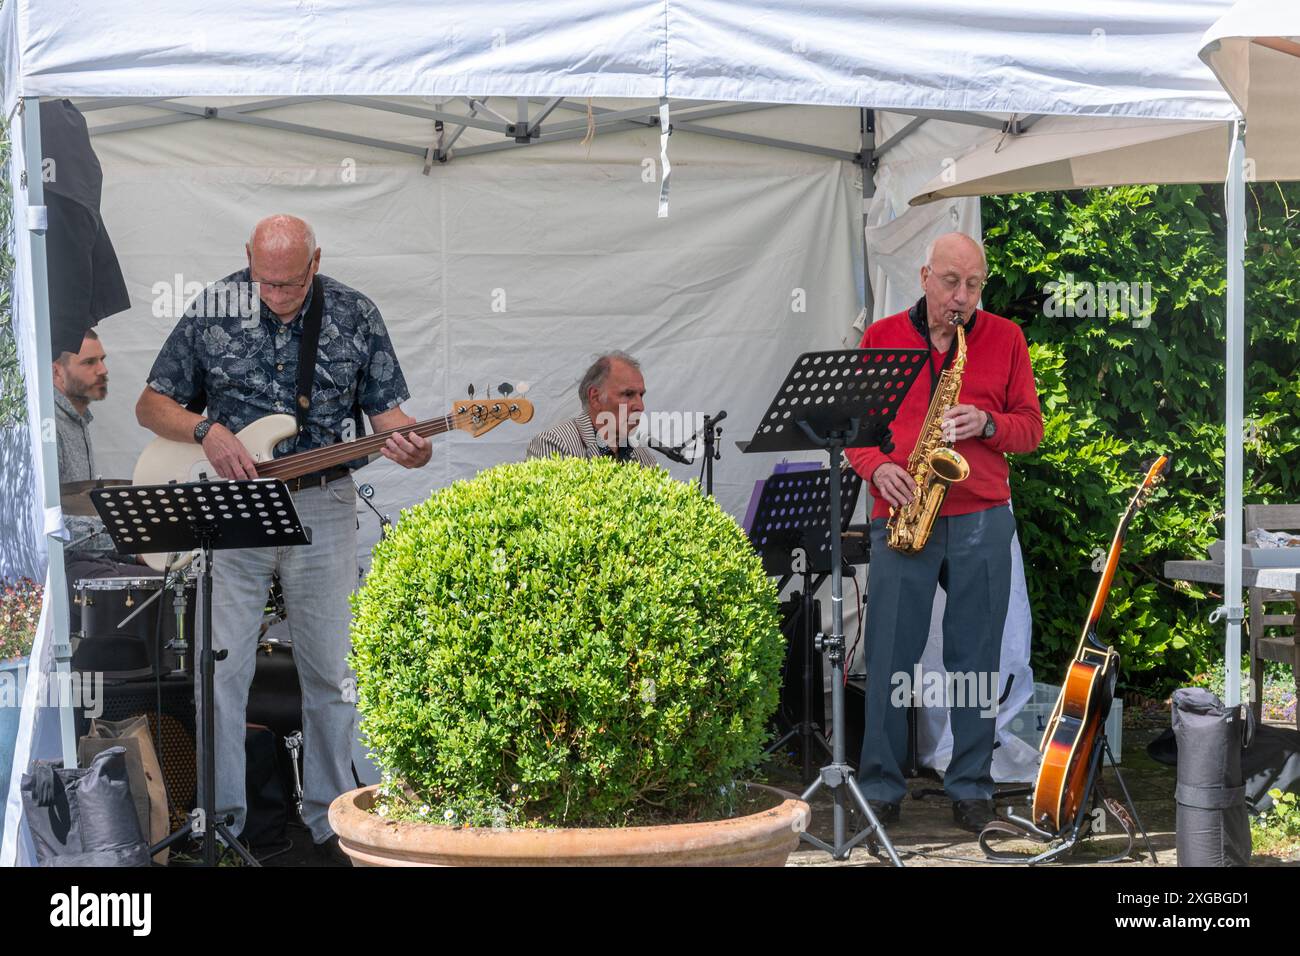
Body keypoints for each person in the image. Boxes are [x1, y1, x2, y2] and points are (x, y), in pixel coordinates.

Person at [135, 214, 432, 863]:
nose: (278, 294)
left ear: (315, 261)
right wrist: (207, 431)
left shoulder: (354, 314)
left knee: (334, 668)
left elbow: (389, 417)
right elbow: (151, 404)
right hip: (232, 506)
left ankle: (331, 814)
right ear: (248, 260)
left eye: (291, 283)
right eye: (267, 282)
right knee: (223, 669)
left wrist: (411, 445)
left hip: (321, 503)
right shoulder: (213, 309)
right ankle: (225, 820)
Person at [846, 232, 1043, 833]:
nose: (962, 297)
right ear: (925, 276)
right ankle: (880, 786)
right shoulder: (881, 338)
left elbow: (1031, 429)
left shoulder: (1004, 337)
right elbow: (855, 431)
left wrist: (986, 421)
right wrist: (877, 467)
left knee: (977, 658)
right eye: (952, 283)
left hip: (981, 514)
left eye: (974, 286)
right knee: (888, 655)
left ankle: (972, 785)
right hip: (904, 514)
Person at [54, 330, 157, 618]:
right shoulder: (48, 427)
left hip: (91, 559)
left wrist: (133, 546)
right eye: (89, 362)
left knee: (184, 580)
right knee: (169, 589)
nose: (103, 369)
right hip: (61, 569)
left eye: (102, 359)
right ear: (57, 372)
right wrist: (129, 540)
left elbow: (83, 512)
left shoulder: (78, 421)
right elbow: (49, 524)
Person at [527, 351, 658, 467]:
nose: (640, 406)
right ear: (595, 398)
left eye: (641, 395)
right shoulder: (555, 445)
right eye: (628, 394)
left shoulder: (644, 458)